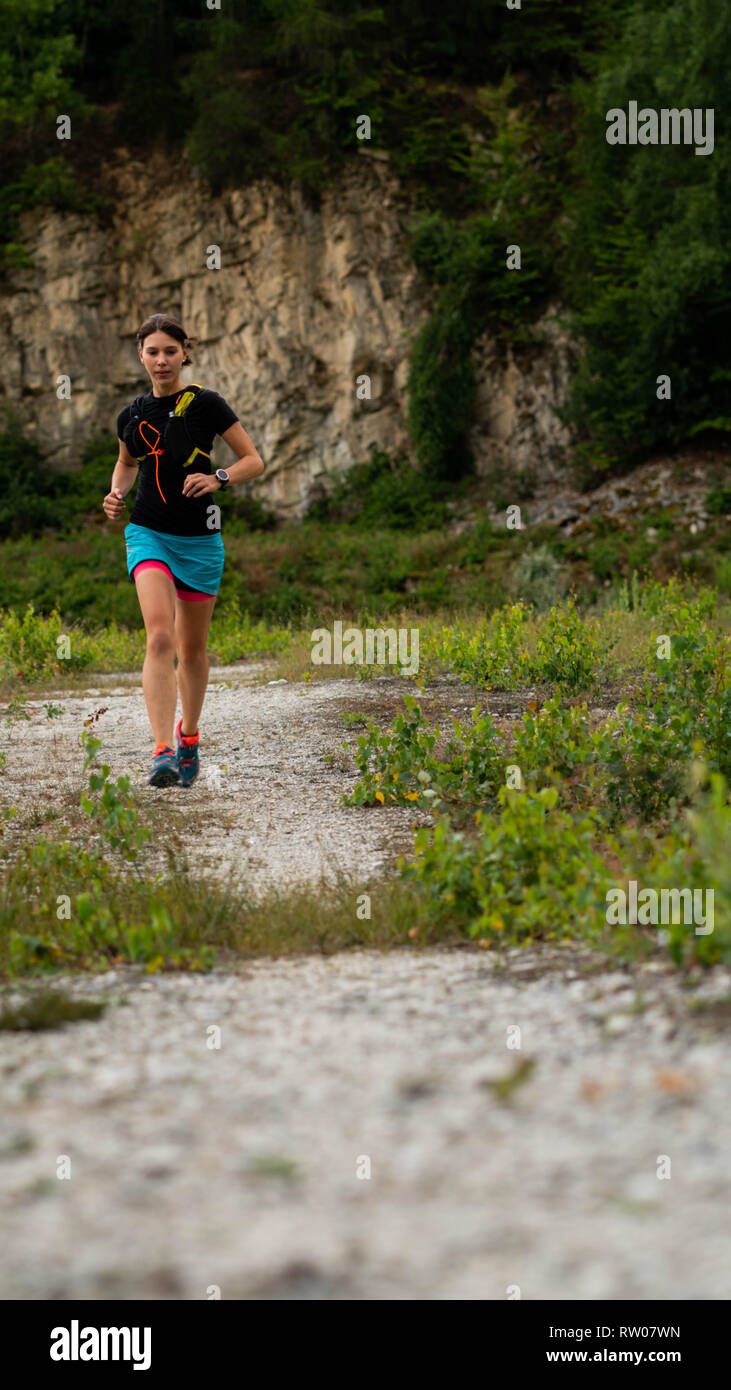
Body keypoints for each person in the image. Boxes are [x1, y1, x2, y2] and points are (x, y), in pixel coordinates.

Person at [103, 312, 264, 787]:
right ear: (141, 355)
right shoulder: (129, 415)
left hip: (200, 540)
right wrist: (116, 493)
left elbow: (253, 461)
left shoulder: (207, 404)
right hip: (148, 531)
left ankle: (188, 735)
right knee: (159, 637)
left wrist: (218, 478)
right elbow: (125, 462)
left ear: (184, 353)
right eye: (152, 351)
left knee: (192, 651)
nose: (161, 360)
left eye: (170, 351)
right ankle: (161, 752)